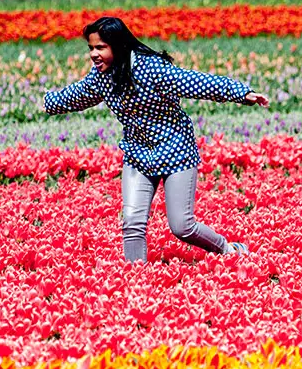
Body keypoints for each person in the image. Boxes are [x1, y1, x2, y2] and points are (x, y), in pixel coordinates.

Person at [43, 16, 270, 263]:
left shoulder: (151, 68)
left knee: (182, 226)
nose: (93, 55)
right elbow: (77, 96)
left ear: (118, 46)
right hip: (138, 155)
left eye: (100, 48)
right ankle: (136, 281)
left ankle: (228, 249)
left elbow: (196, 82)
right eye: (91, 48)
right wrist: (45, 101)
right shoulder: (100, 77)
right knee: (132, 222)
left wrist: (240, 93)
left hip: (175, 150)